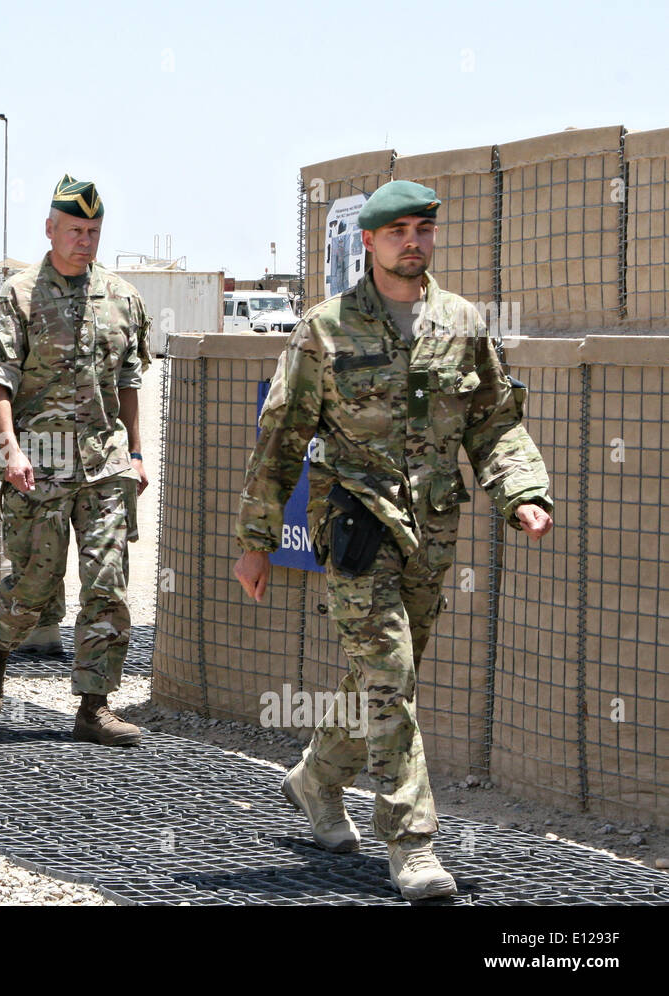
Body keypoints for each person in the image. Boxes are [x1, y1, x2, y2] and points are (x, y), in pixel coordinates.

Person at [232, 179, 555, 901]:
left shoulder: (462, 322)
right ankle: (412, 844)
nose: (414, 241)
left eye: (423, 229)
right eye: (398, 231)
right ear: (370, 242)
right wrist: (257, 540)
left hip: (432, 533)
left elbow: (494, 422)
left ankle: (316, 779)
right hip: (356, 527)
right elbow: (281, 440)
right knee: (390, 674)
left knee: (379, 679)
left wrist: (522, 492)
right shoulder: (325, 329)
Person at [0, 175, 151, 747]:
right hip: (40, 461)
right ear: (50, 229)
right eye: (75, 230)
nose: (85, 240)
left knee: (107, 583)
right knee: (34, 587)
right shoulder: (18, 295)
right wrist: (9, 447)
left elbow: (129, 380)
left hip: (105, 462)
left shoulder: (122, 297)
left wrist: (137, 452)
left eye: (93, 231)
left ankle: (93, 705)